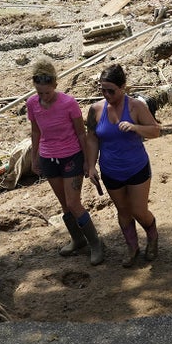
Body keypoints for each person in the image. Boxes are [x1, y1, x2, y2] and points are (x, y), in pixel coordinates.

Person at [27, 60, 104, 266]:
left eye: (47, 93)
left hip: (71, 157)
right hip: (48, 158)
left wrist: (88, 163)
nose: (43, 97)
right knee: (64, 204)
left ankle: (95, 243)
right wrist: (34, 158)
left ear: (55, 85)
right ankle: (77, 239)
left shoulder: (69, 103)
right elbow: (35, 131)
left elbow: (82, 133)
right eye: (39, 93)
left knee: (73, 202)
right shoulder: (32, 104)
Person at [86, 65, 161, 267]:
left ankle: (152, 236)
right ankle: (132, 248)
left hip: (136, 168)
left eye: (112, 90)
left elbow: (155, 131)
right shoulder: (95, 110)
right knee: (123, 210)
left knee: (138, 210)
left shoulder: (136, 106)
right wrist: (91, 166)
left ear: (123, 87)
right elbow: (92, 138)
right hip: (110, 170)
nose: (107, 94)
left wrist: (136, 127)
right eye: (103, 90)